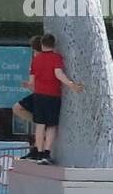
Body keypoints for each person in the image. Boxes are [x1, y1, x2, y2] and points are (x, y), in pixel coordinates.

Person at [27, 34, 84, 163]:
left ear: (42, 44)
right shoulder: (56, 58)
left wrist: (31, 86)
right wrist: (71, 85)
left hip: (38, 95)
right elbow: (58, 74)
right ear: (54, 45)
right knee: (52, 125)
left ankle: (39, 152)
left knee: (40, 125)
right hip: (53, 95)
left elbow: (31, 81)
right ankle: (47, 153)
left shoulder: (36, 59)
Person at [12, 35, 43, 130]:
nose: (33, 53)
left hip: (42, 94)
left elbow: (34, 86)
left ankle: (41, 124)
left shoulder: (38, 62)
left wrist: (29, 85)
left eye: (34, 51)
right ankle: (41, 124)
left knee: (17, 108)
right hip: (44, 93)